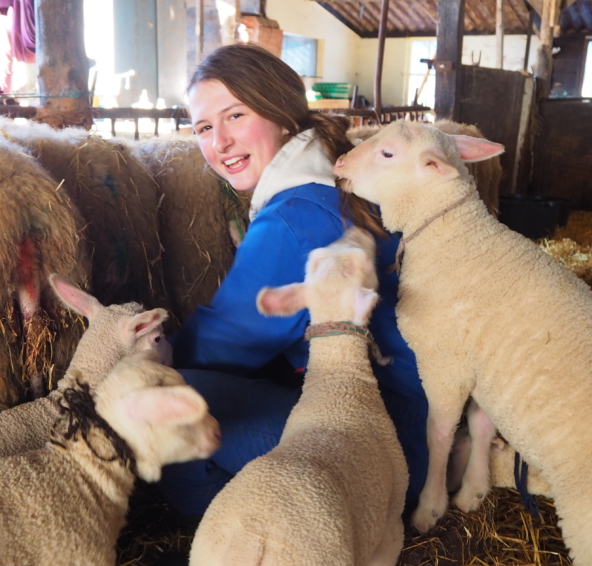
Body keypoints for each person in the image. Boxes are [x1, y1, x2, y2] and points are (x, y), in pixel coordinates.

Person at [155, 43, 430, 523]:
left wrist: (134, 367)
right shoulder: (335, 179)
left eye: (235, 115)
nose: (218, 142)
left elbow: (229, 341)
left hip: (381, 456)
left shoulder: (295, 216)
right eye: (203, 127)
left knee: (162, 397)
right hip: (407, 426)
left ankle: (218, 536)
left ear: (281, 114)